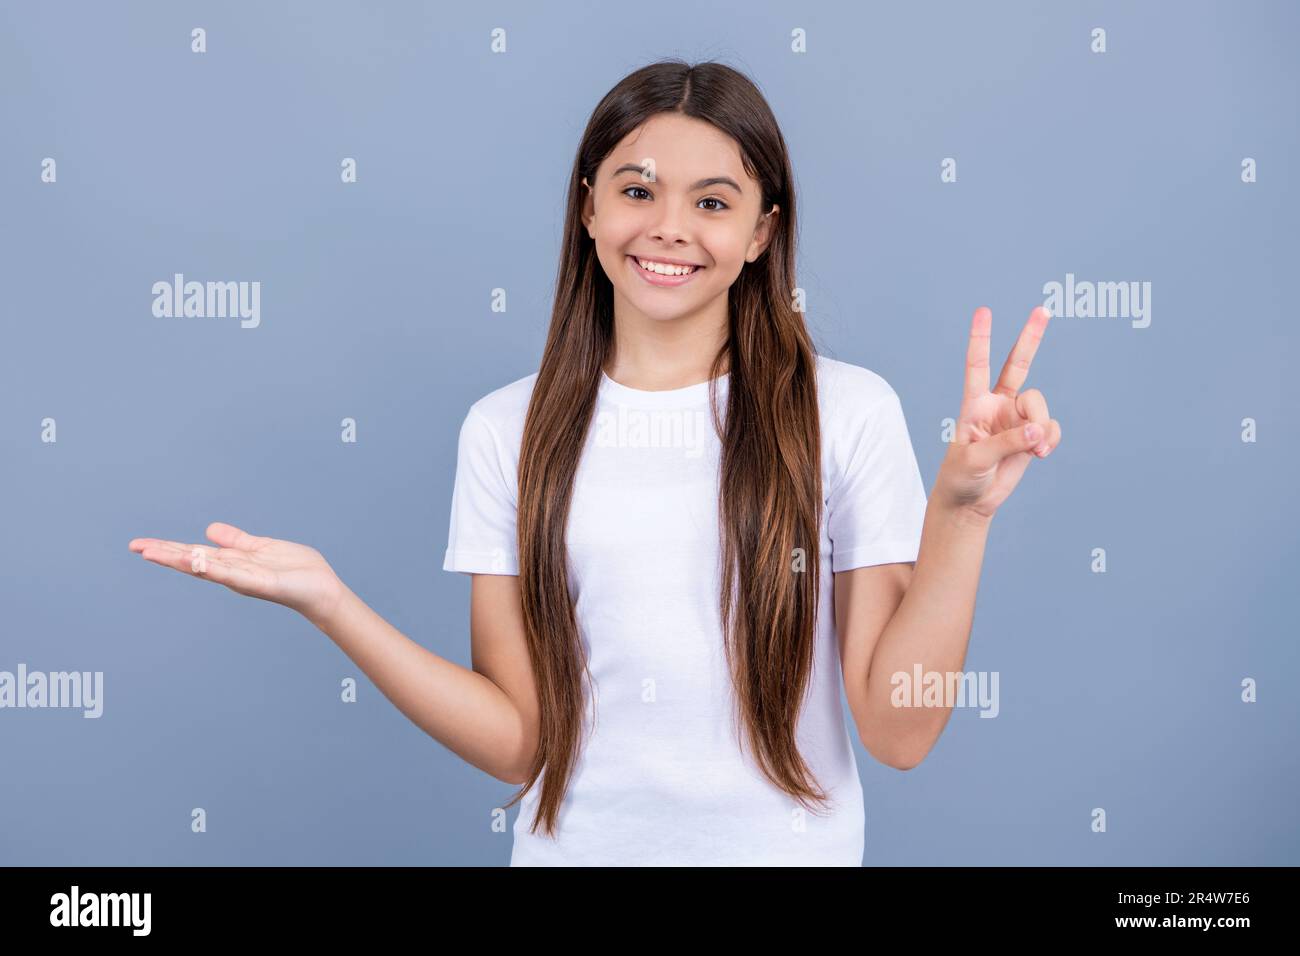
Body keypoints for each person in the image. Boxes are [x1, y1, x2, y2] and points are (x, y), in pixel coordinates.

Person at [129, 58, 1061, 866]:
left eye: (712, 202)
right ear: (588, 206)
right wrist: (332, 601)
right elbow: (518, 743)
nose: (668, 227)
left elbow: (899, 732)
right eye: (637, 189)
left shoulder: (847, 413)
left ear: (762, 235)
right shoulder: (507, 430)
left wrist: (961, 520)